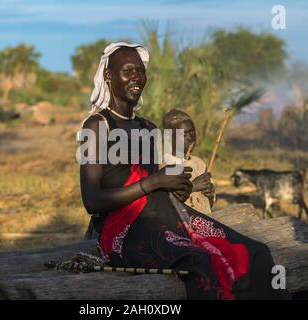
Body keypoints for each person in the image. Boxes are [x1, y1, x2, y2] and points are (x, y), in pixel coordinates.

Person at [79, 42, 290, 299]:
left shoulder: (147, 127)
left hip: (168, 215)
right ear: (109, 76)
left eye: (140, 71)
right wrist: (154, 183)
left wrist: (176, 186)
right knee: (203, 262)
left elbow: (156, 181)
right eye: (128, 70)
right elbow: (92, 201)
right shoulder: (96, 126)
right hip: (125, 231)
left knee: (253, 252)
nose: (136, 77)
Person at [162, 109, 215, 214]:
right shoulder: (163, 167)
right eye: (184, 134)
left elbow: (209, 204)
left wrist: (211, 193)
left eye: (192, 132)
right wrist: (192, 187)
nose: (190, 138)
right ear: (168, 137)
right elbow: (164, 205)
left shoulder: (199, 164)